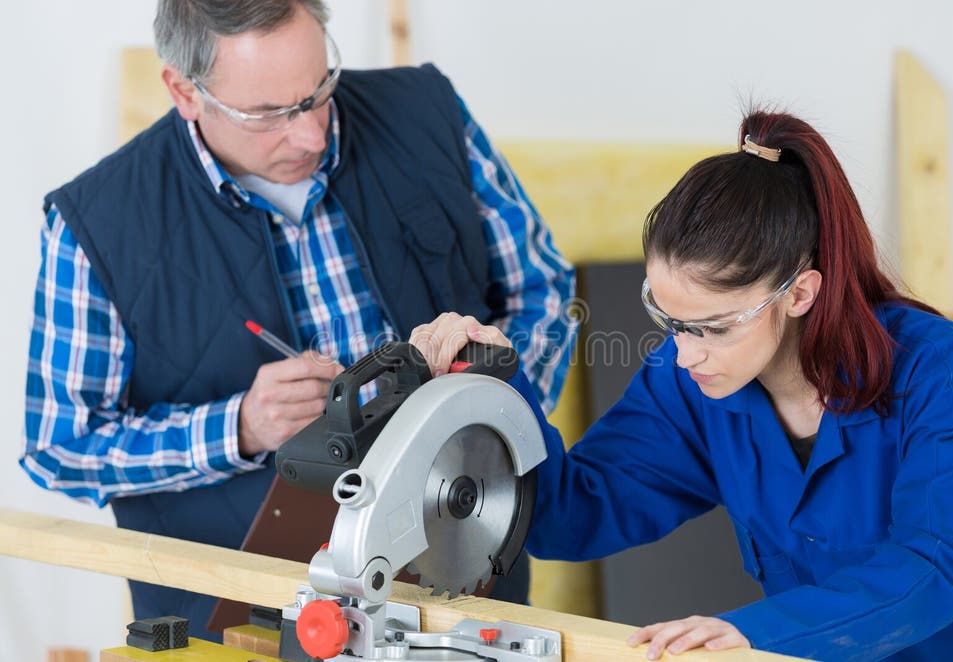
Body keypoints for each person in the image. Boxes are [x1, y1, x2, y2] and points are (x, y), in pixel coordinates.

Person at [20, 0, 576, 640]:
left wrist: (488, 415)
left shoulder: (430, 111)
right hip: (243, 623)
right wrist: (239, 428)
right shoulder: (95, 223)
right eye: (269, 114)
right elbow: (62, 448)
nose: (312, 133)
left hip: (468, 586)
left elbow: (545, 294)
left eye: (319, 92)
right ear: (183, 90)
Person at [412, 111, 953, 660]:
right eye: (670, 321)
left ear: (799, 294)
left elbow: (933, 565)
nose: (685, 353)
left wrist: (750, 633)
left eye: (713, 327)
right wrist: (497, 386)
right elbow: (573, 515)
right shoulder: (688, 380)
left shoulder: (929, 364)